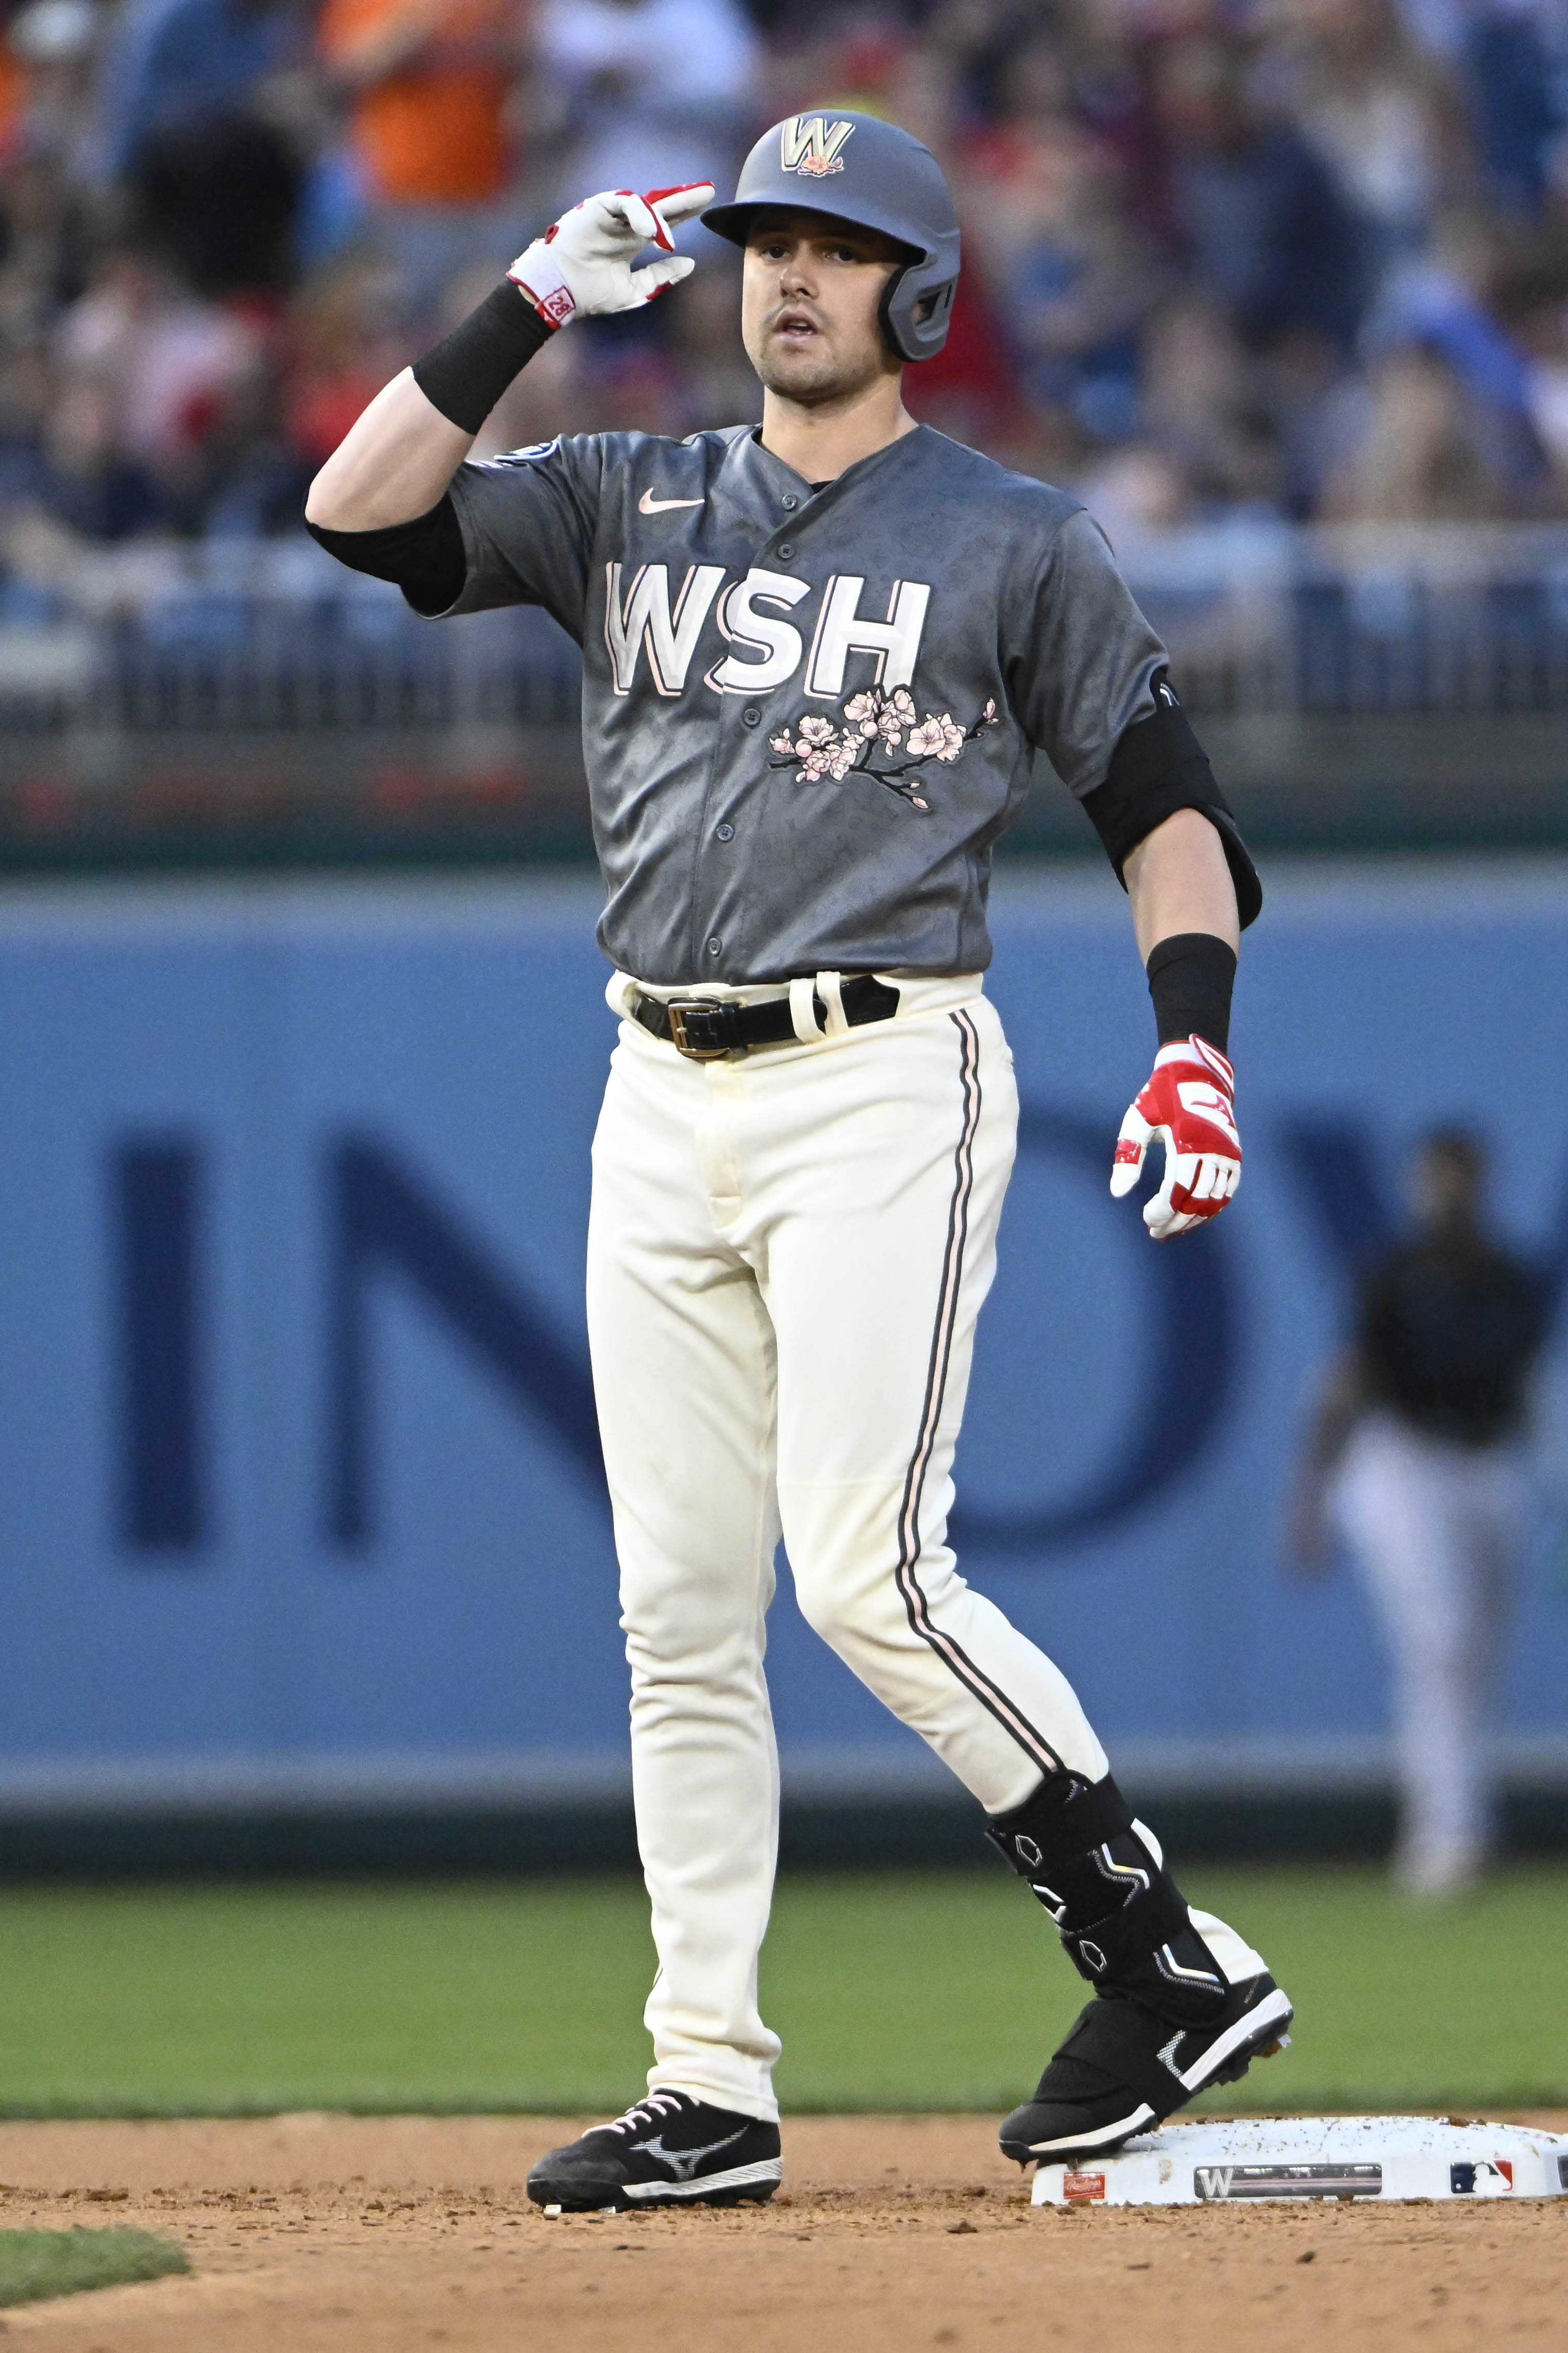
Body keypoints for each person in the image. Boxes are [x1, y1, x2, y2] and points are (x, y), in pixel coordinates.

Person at [303, 112, 1292, 2213]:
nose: (789, 276)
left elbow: (1166, 801)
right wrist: (532, 299)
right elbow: (355, 511)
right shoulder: (625, 489)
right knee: (676, 1612)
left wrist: (1190, 1045)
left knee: (869, 1567)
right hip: (655, 1076)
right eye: (767, 240)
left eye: (839, 248)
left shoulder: (1009, 535)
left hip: (880, 1069)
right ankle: (709, 2084)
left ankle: (1161, 1950)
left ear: (920, 294)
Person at [1289, 1129, 1550, 1895]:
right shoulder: (1394, 1276)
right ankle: (1443, 1832)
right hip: (1404, 1463)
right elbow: (1345, 1385)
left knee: (1478, 1652)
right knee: (1436, 1642)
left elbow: (1534, 1394)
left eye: (1460, 1178)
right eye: (1434, 1179)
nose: (1447, 1193)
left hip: (1491, 1462)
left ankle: (1466, 1817)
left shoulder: (1510, 1278)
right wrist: (1308, 1498)